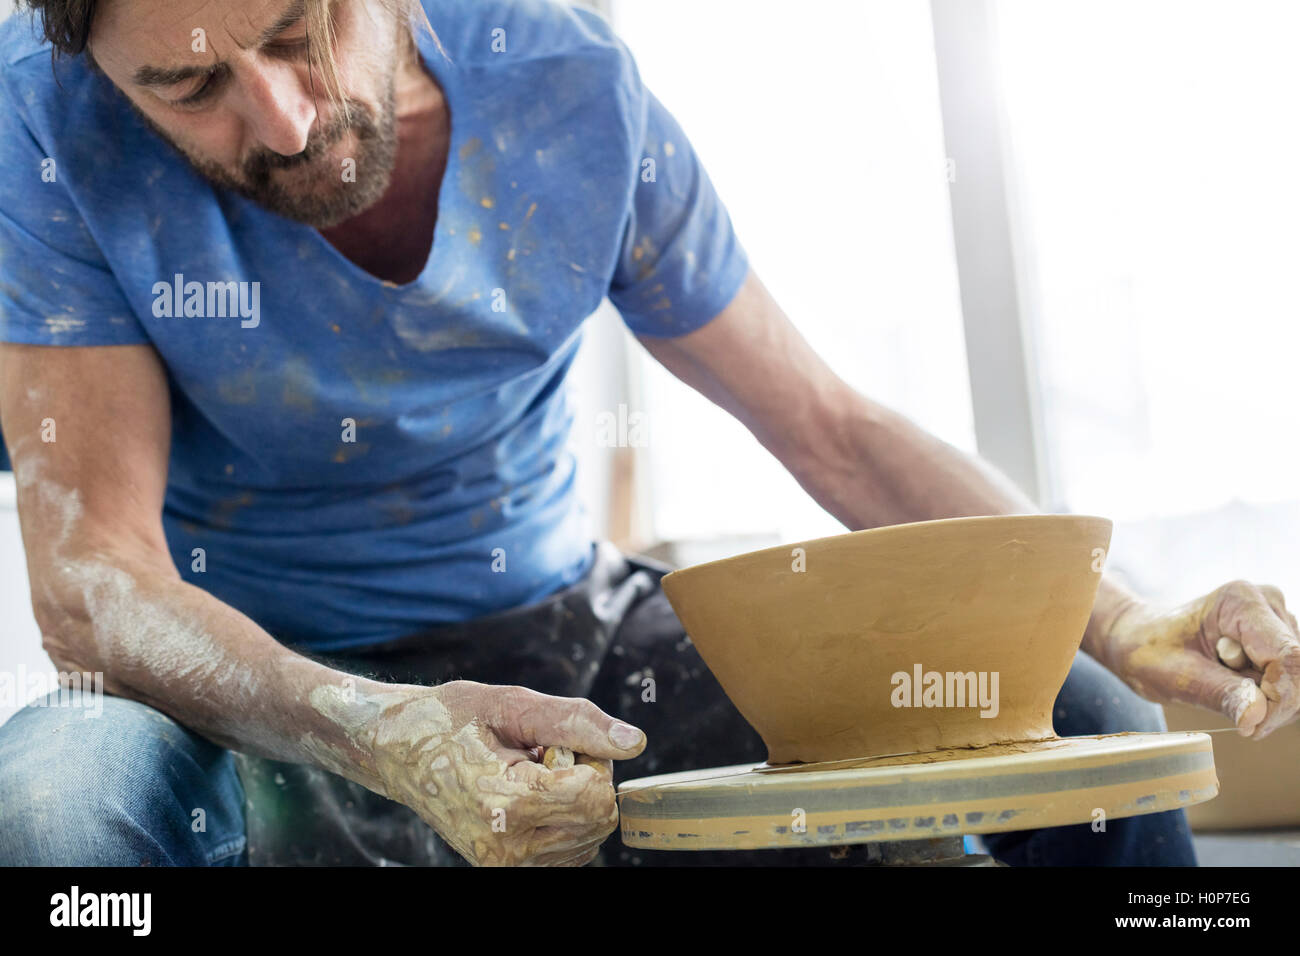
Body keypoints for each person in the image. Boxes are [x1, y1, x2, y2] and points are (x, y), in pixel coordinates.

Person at [0, 0, 1295, 867]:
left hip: (560, 630)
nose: (284, 121)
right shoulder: (42, 126)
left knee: (1087, 720)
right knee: (53, 821)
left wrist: (1120, 617)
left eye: (301, 28)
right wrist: (380, 729)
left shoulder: (560, 88)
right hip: (222, 685)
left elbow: (833, 430)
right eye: (188, 86)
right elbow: (98, 587)